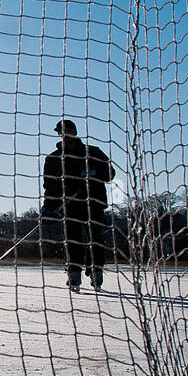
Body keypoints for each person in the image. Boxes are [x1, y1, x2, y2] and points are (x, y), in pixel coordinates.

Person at [43, 120, 116, 291]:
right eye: (61, 133)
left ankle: (96, 271)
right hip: (69, 206)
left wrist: (94, 173)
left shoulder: (93, 152)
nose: (64, 136)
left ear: (74, 132)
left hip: (93, 203)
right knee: (72, 241)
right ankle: (74, 274)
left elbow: (109, 174)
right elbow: (50, 185)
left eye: (67, 131)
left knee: (95, 240)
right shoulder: (53, 159)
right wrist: (48, 206)